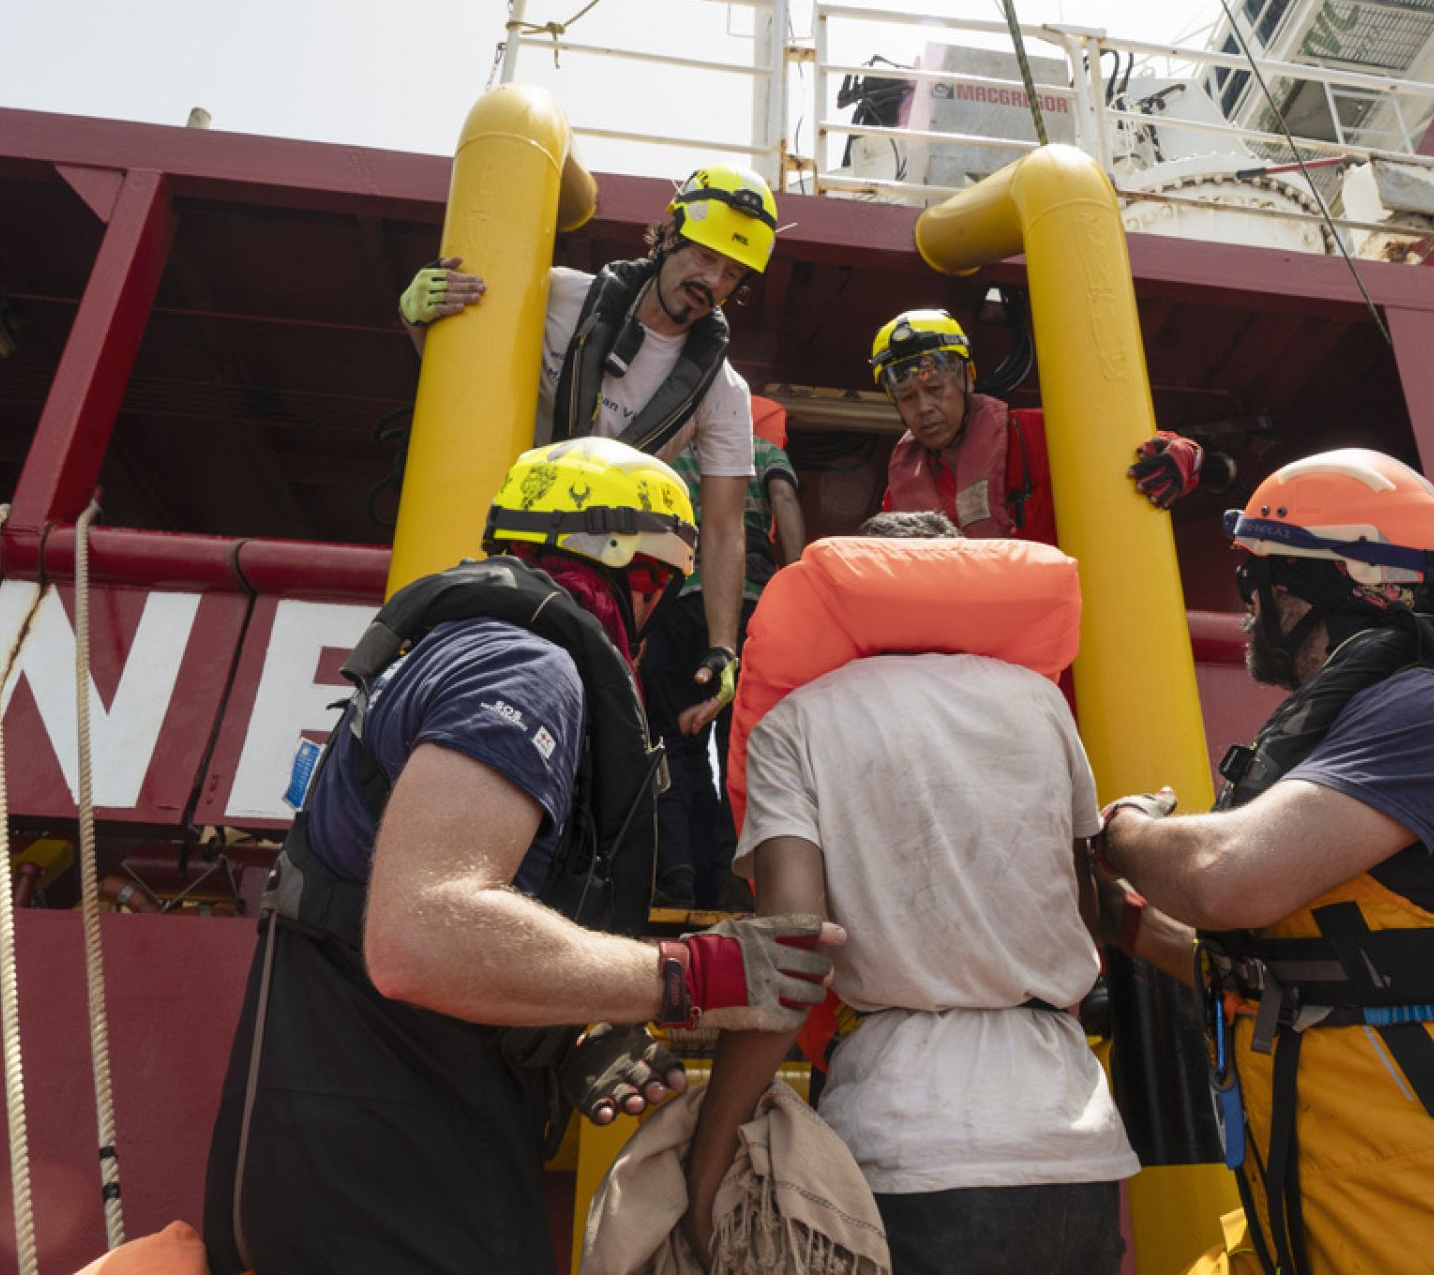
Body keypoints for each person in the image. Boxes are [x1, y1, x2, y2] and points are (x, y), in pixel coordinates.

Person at [202, 437, 839, 1275]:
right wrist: (690, 974)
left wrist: (561, 1037)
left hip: (343, 1138)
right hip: (389, 1165)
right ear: (633, 566)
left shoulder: (453, 650)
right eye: (662, 584)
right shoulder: (525, 666)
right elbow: (423, 933)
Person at [1099, 448, 1434, 1274]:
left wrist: (1119, 830)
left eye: (1255, 573)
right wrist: (1126, 923)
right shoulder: (1369, 725)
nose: (1244, 601)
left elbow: (1228, 877)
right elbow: (1312, 971)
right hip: (1335, 1216)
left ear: (1318, 584)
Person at [683, 513, 1141, 1275]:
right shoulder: (1041, 704)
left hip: (906, 1141)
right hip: (1074, 1142)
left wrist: (707, 1159)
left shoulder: (795, 725)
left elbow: (792, 952)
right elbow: (1083, 910)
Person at [399, 165, 782, 732]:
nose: (712, 281)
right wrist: (416, 317)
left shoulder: (723, 392)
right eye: (704, 257)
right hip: (486, 542)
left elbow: (725, 529)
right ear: (669, 235)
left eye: (731, 273)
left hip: (596, 588)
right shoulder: (553, 296)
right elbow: (461, 380)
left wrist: (725, 647)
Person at [641, 400, 806, 905]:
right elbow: (785, 503)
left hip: (680, 605)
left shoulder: (665, 457)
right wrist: (800, 578)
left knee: (674, 744)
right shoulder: (761, 449)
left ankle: (678, 875)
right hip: (751, 609)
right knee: (746, 754)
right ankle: (739, 884)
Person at [871, 308, 1212, 539]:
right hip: (960, 638)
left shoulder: (1039, 435)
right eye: (907, 397)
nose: (924, 408)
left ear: (967, 379)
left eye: (934, 389)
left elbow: (1156, 447)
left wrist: (1180, 456)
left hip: (1055, 630)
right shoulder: (901, 491)